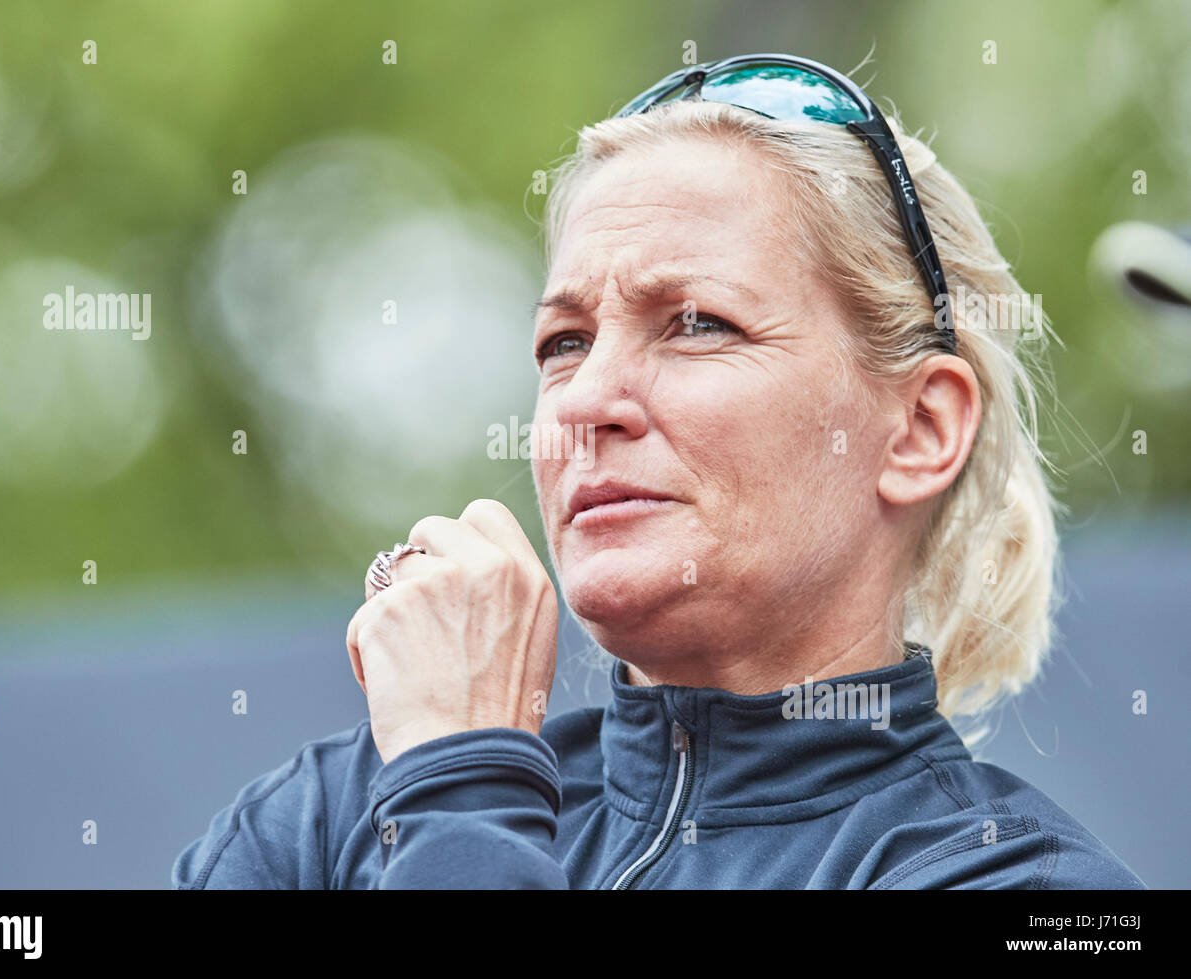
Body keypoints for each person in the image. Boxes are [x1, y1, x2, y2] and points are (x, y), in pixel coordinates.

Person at [172, 54, 1145, 889]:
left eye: (696, 324)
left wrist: (462, 799)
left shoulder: (1023, 883)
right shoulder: (333, 816)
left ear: (920, 428)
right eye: (562, 342)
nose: (587, 400)